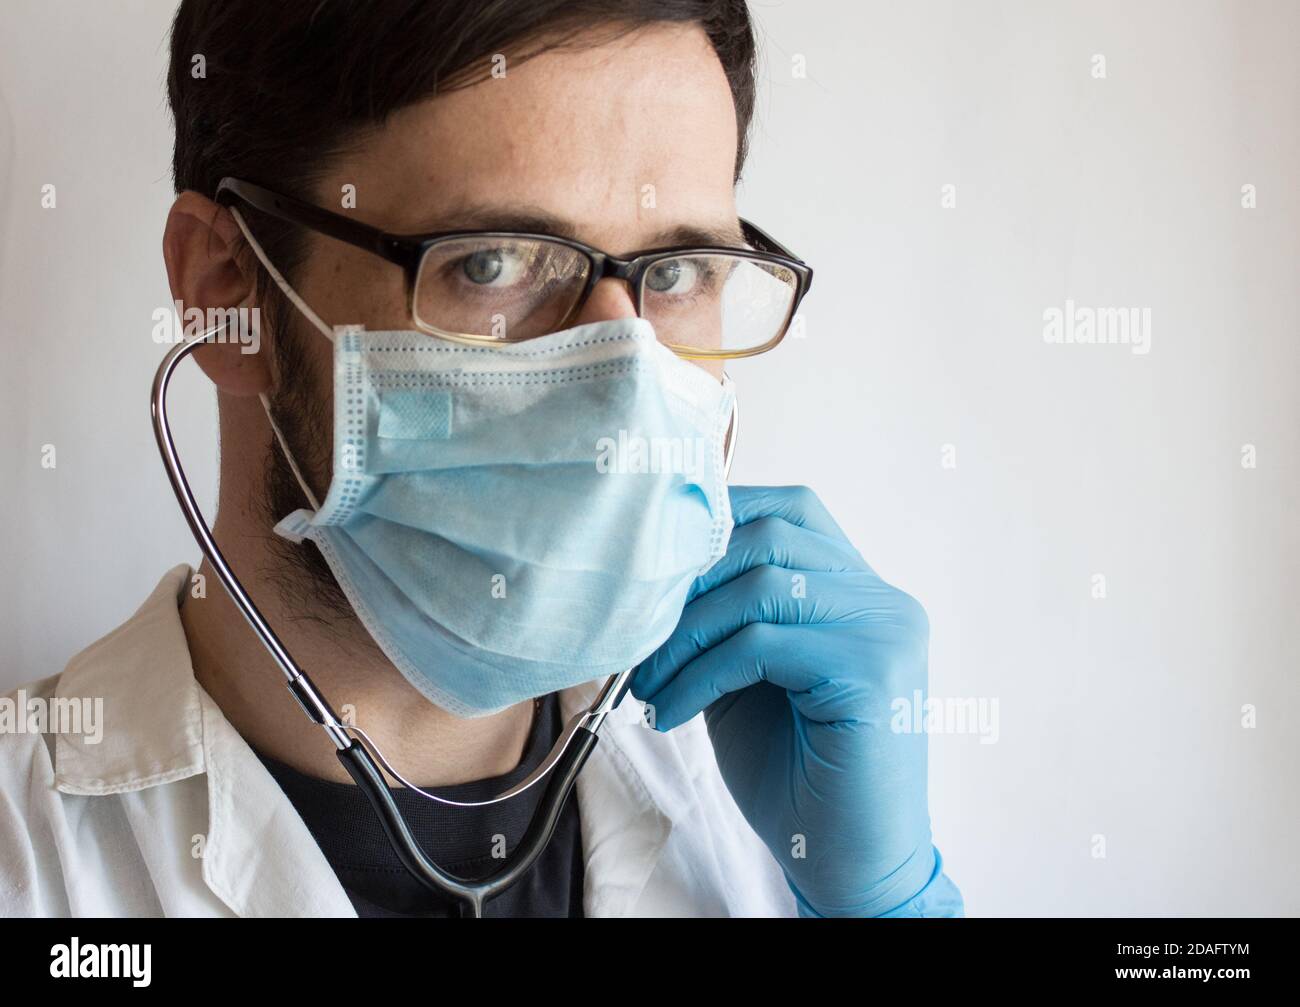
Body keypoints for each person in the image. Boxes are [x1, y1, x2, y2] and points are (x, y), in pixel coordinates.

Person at [0, 0, 963, 918]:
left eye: (674, 274)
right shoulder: (28, 862)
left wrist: (883, 903)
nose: (621, 391)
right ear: (228, 292)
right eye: (494, 263)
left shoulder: (775, 805)